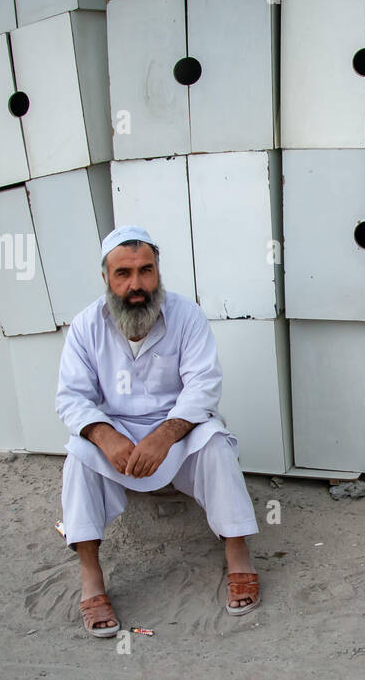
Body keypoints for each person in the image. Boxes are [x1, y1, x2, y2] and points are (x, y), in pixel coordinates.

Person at [55, 226, 260, 637]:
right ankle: (91, 577)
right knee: (78, 458)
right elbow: (71, 398)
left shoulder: (187, 316)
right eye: (124, 274)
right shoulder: (84, 327)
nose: (136, 284)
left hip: (177, 434)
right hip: (117, 437)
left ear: (158, 271)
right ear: (106, 279)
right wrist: (106, 436)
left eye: (146, 271)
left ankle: (237, 553)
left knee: (216, 444)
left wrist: (163, 436)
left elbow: (203, 386)